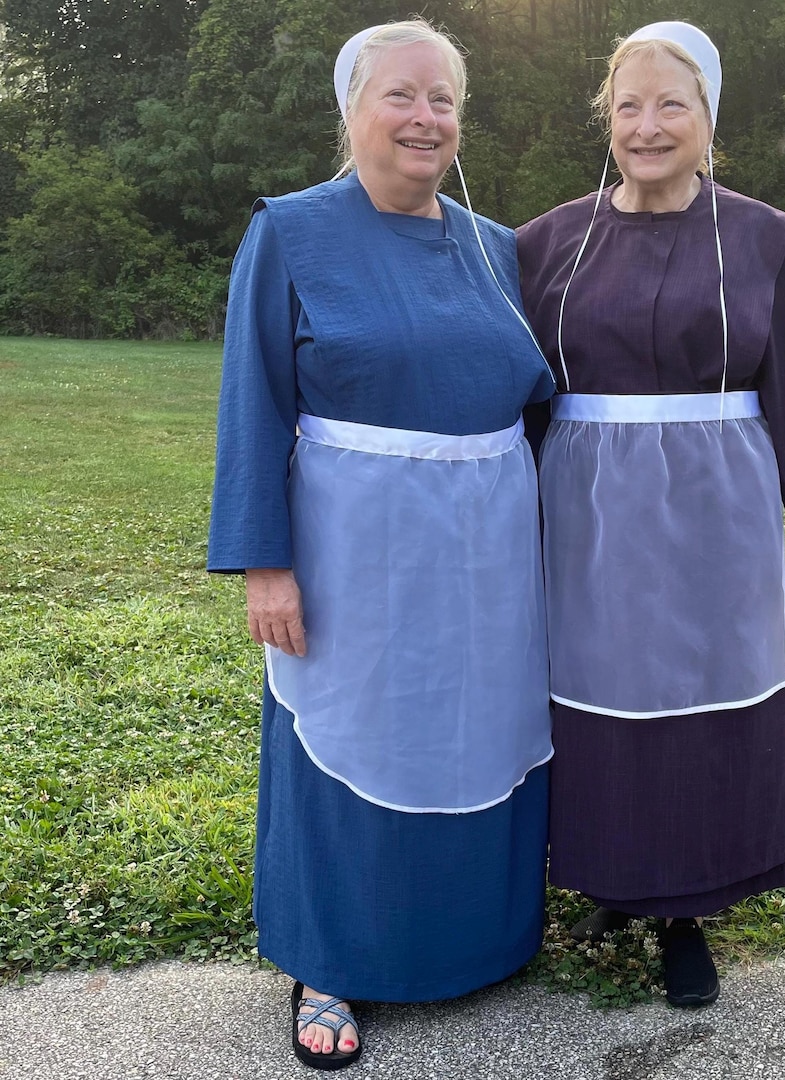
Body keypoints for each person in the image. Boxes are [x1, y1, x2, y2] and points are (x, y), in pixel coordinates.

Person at [516, 21, 785, 1009]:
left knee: (699, 684)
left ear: (708, 122)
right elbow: (516, 386)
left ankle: (685, 911)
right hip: (587, 507)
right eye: (628, 107)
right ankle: (610, 877)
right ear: (606, 120)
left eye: (671, 106)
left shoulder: (758, 238)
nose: (647, 126)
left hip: (712, 508)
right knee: (597, 685)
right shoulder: (547, 242)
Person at [208, 19, 555, 1069]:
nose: (424, 117)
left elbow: (543, 405)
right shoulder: (293, 231)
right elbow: (254, 405)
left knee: (475, 728)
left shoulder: (499, 249)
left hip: (487, 553)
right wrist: (266, 564)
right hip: (351, 552)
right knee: (352, 737)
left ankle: (476, 941)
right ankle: (333, 961)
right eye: (400, 95)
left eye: (443, 99)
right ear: (351, 110)